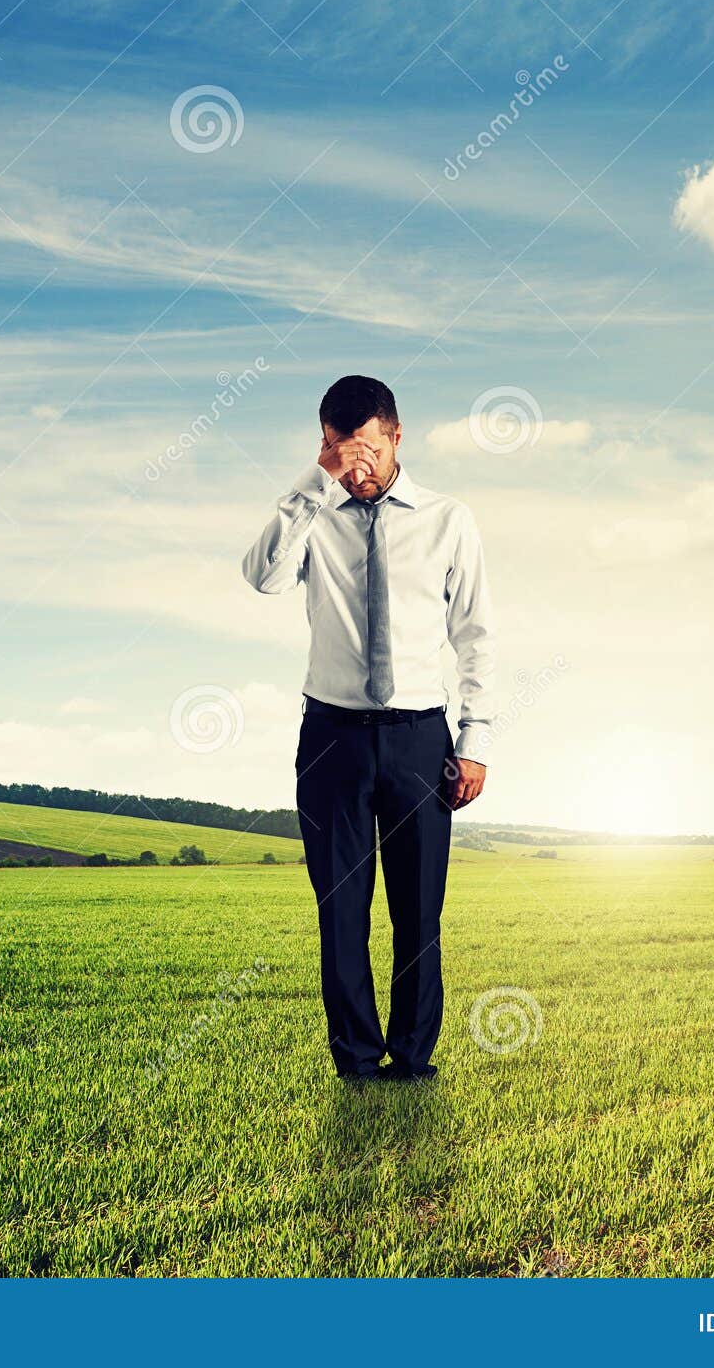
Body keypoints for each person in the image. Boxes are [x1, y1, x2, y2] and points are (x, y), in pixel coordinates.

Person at [242, 375, 496, 1084]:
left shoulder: (449, 519)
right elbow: (261, 576)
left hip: (420, 738)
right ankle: (355, 1060)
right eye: (339, 452)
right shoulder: (314, 513)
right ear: (324, 446)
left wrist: (475, 741)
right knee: (341, 911)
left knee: (418, 913)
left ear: (396, 437)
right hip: (332, 738)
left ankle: (413, 1058)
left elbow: (476, 636)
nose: (356, 471)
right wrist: (314, 483)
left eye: (368, 453)